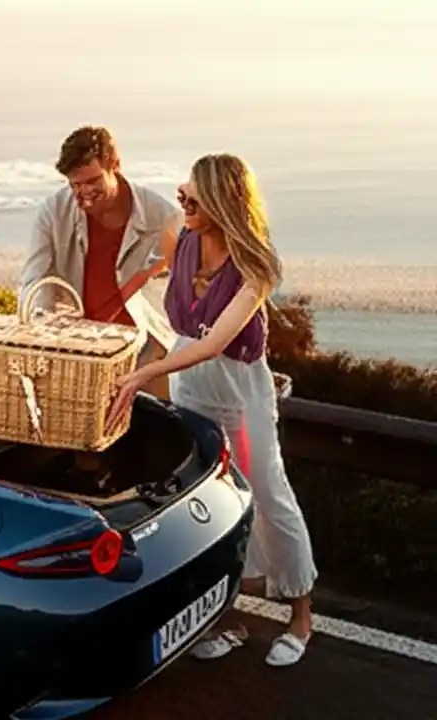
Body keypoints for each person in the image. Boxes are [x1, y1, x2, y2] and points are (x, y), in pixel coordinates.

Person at [105, 153, 318, 667]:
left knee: (267, 492)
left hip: (239, 390)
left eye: (193, 194)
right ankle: (232, 615)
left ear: (222, 199)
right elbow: (144, 282)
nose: (182, 198)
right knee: (213, 500)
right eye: (183, 191)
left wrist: (140, 375)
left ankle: (301, 615)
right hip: (190, 383)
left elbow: (217, 339)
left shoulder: (257, 264)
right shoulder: (179, 237)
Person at [19, 126, 182, 380]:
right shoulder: (52, 213)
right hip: (79, 348)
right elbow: (34, 281)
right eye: (75, 184)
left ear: (115, 165)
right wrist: (42, 336)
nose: (83, 193)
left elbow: (186, 292)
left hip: (146, 356)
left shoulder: (165, 218)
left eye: (92, 181)